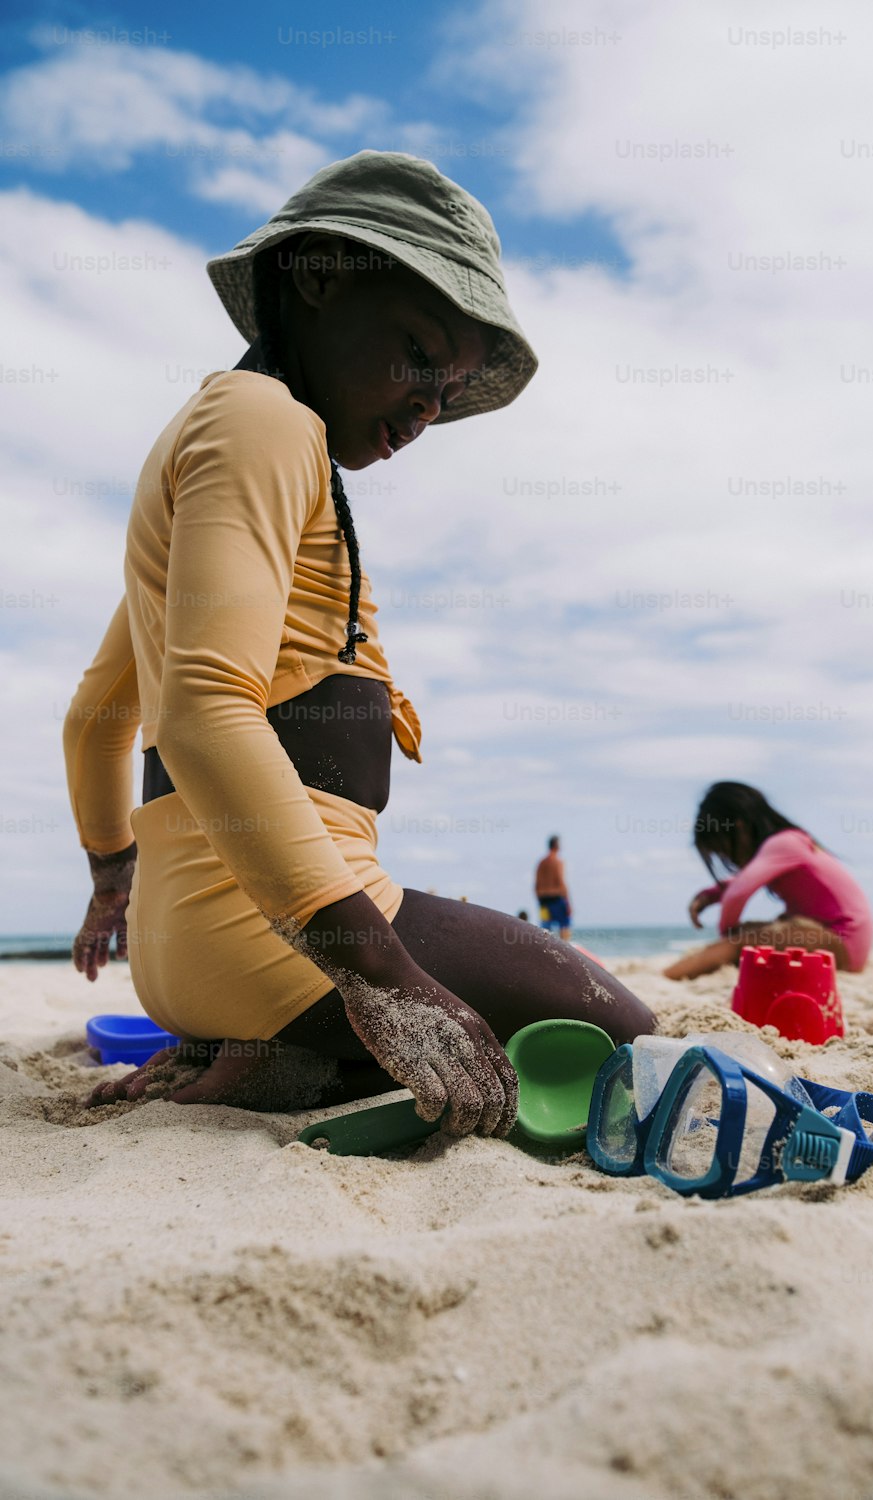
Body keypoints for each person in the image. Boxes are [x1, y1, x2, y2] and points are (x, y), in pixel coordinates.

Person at [65, 151, 655, 1133]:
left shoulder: (219, 454)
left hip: (179, 954)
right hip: (276, 937)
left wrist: (110, 883)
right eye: (419, 355)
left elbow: (95, 718)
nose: (428, 410)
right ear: (320, 275)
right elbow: (208, 712)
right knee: (616, 1024)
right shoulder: (264, 419)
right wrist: (382, 972)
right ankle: (301, 1052)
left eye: (449, 394)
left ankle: (260, 1051)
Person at [663, 781, 873, 981]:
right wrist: (711, 895)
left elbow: (737, 893)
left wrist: (728, 936)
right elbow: (739, 882)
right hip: (839, 940)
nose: (727, 859)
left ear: (740, 828)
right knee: (750, 935)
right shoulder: (786, 844)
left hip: (840, 941)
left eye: (723, 850)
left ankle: (667, 976)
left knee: (738, 945)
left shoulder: (784, 843)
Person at [535, 835, 571, 940]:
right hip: (557, 898)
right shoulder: (557, 861)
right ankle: (566, 950)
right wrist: (568, 903)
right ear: (557, 846)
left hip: (543, 900)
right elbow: (561, 882)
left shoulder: (541, 863)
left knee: (546, 928)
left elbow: (536, 884)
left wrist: (540, 900)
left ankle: (546, 951)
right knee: (564, 926)